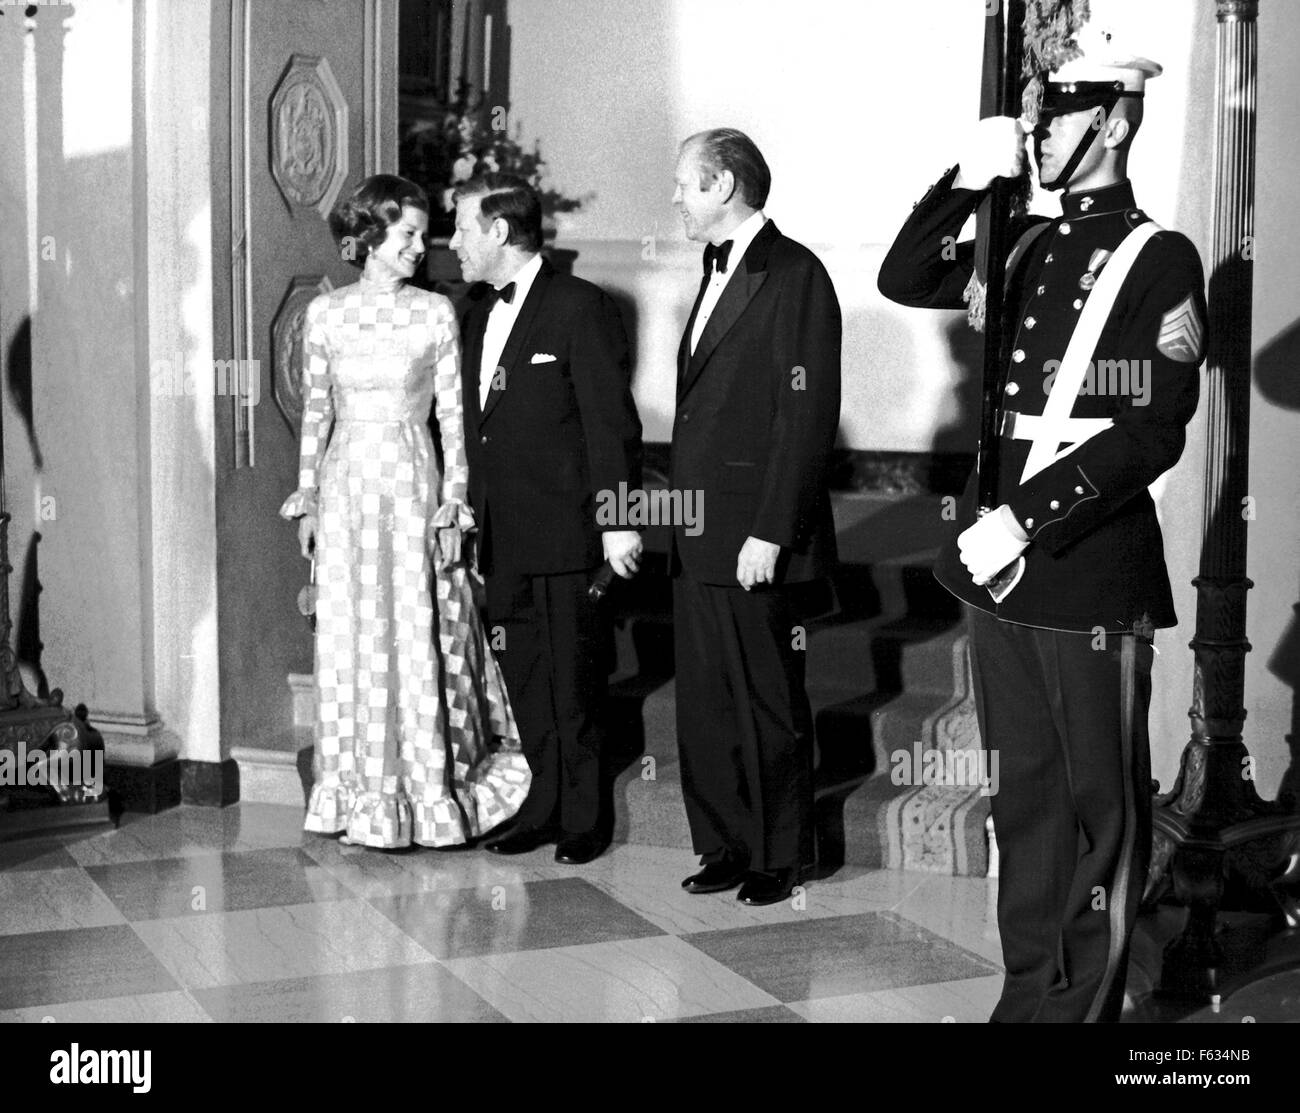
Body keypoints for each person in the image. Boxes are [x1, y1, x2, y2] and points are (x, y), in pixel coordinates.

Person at [877, 19, 1207, 1021]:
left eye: (1053, 117)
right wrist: (959, 179)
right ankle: (1027, 996)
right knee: (1025, 797)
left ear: (1108, 123)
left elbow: (1154, 428)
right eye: (1029, 120)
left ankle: (1080, 1008)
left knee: (1093, 808)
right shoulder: (1021, 236)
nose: (1035, 135)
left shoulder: (1157, 257)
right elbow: (905, 276)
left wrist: (1025, 518)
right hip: (996, 559)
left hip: (1080, 560)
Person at [280, 173, 530, 849]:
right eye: (409, 233)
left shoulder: (434, 312)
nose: (424, 245)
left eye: (425, 232)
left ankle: (425, 795)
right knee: (353, 635)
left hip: (413, 481)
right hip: (347, 491)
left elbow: (455, 419)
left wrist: (454, 502)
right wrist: (308, 499)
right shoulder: (326, 316)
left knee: (415, 628)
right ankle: (356, 797)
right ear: (366, 238)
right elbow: (317, 414)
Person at [669, 129, 842, 907]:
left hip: (751, 534)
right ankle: (725, 842)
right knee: (705, 702)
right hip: (695, 530)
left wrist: (771, 529)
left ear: (725, 185)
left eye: (685, 183)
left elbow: (804, 417)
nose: (674, 197)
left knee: (766, 699)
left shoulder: (796, 273)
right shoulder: (709, 271)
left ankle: (781, 852)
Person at [450, 173, 643, 865]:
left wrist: (620, 521)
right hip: (501, 533)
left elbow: (609, 425)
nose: (453, 242)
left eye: (462, 226)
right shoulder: (472, 311)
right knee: (526, 677)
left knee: (576, 679)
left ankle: (585, 816)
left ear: (499, 231)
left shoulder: (580, 306)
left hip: (568, 533)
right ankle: (542, 803)